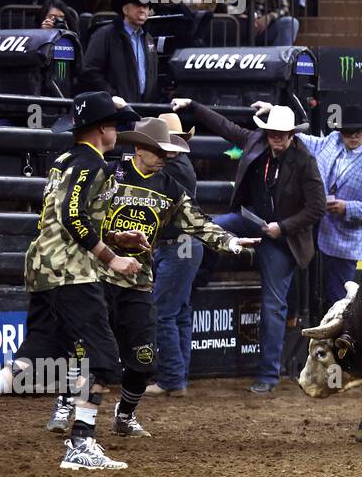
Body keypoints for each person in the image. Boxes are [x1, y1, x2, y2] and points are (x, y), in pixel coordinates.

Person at [0, 92, 141, 469]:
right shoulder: (93, 163)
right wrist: (114, 258)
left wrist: (118, 238)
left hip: (42, 266)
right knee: (104, 360)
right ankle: (81, 445)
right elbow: (74, 217)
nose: (119, 133)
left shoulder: (64, 160)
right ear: (103, 128)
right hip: (70, 271)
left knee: (34, 354)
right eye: (116, 126)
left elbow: (65, 215)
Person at [99, 118, 259, 432]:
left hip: (144, 272)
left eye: (166, 150)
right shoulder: (108, 174)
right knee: (94, 350)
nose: (164, 156)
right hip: (99, 273)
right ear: (139, 149)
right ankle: (70, 408)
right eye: (158, 150)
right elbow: (82, 219)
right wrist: (113, 238)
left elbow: (197, 221)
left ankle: (129, 410)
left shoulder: (170, 183)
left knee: (148, 346)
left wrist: (228, 240)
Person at [171, 99, 327, 393]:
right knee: (206, 228)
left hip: (283, 237)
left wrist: (282, 227)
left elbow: (317, 207)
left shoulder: (305, 161)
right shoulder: (257, 140)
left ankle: (268, 376)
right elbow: (225, 128)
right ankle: (201, 276)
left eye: (281, 135)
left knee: (272, 304)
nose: (275, 139)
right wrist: (194, 105)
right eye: (272, 134)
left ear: (292, 135)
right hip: (250, 219)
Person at [288, 103, 362, 307]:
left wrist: (348, 208)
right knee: (307, 293)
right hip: (314, 228)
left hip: (345, 239)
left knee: (338, 300)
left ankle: (339, 338)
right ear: (340, 131)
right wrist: (274, 112)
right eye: (347, 132)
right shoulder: (332, 141)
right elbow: (302, 139)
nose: (353, 136)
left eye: (358, 132)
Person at [146, 113, 206, 397]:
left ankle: (171, 378)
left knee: (163, 312)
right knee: (178, 312)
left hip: (178, 245)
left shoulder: (174, 169)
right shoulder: (181, 165)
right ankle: (177, 377)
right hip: (183, 244)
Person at [81, 0, 158, 103]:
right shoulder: (105, 34)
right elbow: (89, 71)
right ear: (125, 10)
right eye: (137, 5)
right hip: (114, 110)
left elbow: (152, 75)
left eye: (146, 6)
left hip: (144, 109)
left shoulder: (148, 39)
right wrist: (111, 96)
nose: (142, 10)